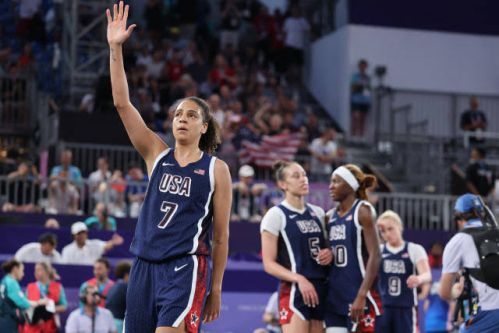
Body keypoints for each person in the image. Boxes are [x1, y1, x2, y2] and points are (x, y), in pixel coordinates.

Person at [106, 2, 232, 332]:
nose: (182, 119)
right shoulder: (156, 155)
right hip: (143, 267)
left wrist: (216, 289)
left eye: (191, 115)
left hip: (185, 267)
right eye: (178, 114)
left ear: (204, 126)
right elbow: (122, 104)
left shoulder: (216, 169)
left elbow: (220, 237)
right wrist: (115, 48)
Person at [260, 161, 332, 333]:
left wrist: (330, 253)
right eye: (296, 176)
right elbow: (268, 264)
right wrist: (299, 279)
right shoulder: (275, 215)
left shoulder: (319, 213)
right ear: (283, 184)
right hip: (295, 289)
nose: (303, 179)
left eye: (304, 175)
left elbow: (328, 249)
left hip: (321, 287)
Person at [326, 164, 382, 333]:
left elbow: (375, 254)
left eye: (336, 182)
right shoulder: (329, 217)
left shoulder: (363, 211)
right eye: (331, 181)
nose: (331, 186)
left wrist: (361, 295)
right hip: (335, 296)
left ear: (350, 186)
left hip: (358, 293)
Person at [439, 193, 499, 332]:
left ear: (458, 218)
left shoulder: (458, 241)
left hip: (492, 312)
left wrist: (456, 292)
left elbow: (444, 292)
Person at [375, 210, 432, 333]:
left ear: (400, 227)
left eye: (390, 229)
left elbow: (427, 274)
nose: (387, 234)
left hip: (405, 306)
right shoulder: (379, 250)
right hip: (383, 307)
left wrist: (418, 279)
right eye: (383, 231)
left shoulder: (414, 249)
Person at [0, 260, 48, 332]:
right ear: (15, 269)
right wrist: (40, 302)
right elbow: (23, 303)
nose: (23, 274)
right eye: (22, 270)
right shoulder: (11, 282)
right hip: (8, 322)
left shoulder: (4, 280)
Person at [24, 262, 67, 333]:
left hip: (50, 327)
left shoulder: (58, 287)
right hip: (32, 328)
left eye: (39, 270)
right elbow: (24, 305)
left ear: (47, 271)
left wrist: (48, 310)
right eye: (35, 270)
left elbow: (64, 306)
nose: (36, 272)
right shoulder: (30, 287)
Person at [106, 261, 131, 333]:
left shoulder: (113, 286)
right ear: (126, 275)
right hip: (119, 325)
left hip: (110, 323)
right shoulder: (126, 287)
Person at [350, 59, 372, 137]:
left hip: (365, 101)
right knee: (356, 118)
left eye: (364, 66)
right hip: (356, 100)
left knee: (363, 119)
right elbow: (353, 87)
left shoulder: (368, 77)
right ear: (359, 66)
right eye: (361, 66)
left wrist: (361, 86)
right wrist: (360, 86)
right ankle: (353, 135)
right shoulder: (355, 76)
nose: (363, 67)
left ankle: (361, 136)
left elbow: (368, 89)